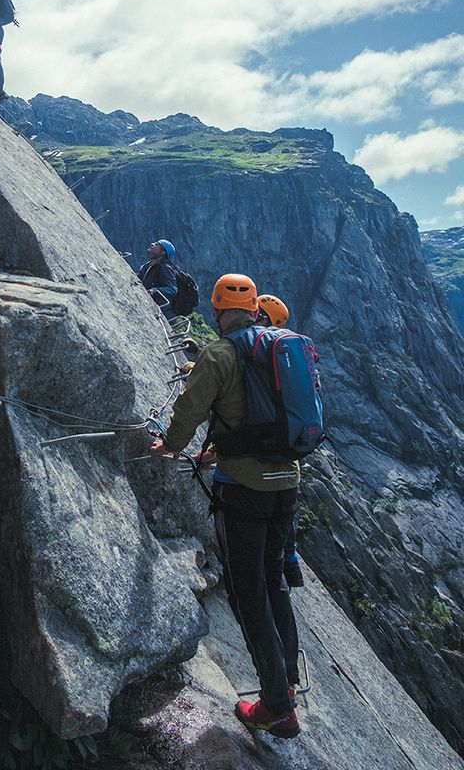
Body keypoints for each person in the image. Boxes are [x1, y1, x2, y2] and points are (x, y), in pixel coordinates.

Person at [151, 273, 301, 740]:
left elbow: (192, 407)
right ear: (253, 307)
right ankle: (289, 681)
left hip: (245, 490)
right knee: (274, 578)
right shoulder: (276, 345)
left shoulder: (220, 352)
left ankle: (276, 705)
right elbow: (262, 416)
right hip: (286, 483)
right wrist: (216, 451)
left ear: (218, 309)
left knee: (247, 590)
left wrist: (170, 445)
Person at [257, 293, 304, 589]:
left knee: (269, 542)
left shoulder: (259, 351)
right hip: (291, 456)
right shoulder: (289, 357)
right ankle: (292, 565)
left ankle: (277, 580)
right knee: (284, 517)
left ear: (264, 319)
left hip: (265, 456)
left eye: (256, 312)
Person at [137, 240, 178, 322]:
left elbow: (173, 289)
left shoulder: (165, 268)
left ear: (163, 252)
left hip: (162, 313)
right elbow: (138, 277)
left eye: (157, 244)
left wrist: (155, 290)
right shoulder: (149, 265)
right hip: (150, 306)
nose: (152, 244)